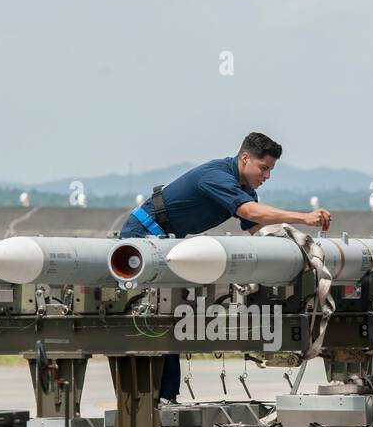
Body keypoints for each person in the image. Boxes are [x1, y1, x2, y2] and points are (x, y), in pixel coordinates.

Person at [121, 132, 332, 401]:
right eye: (264, 168)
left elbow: (259, 227)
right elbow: (250, 213)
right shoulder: (217, 176)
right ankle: (159, 396)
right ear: (245, 158)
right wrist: (304, 217)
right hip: (140, 236)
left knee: (168, 318)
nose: (267, 176)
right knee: (156, 317)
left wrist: (299, 247)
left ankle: (166, 396)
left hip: (168, 242)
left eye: (270, 170)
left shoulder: (245, 190)